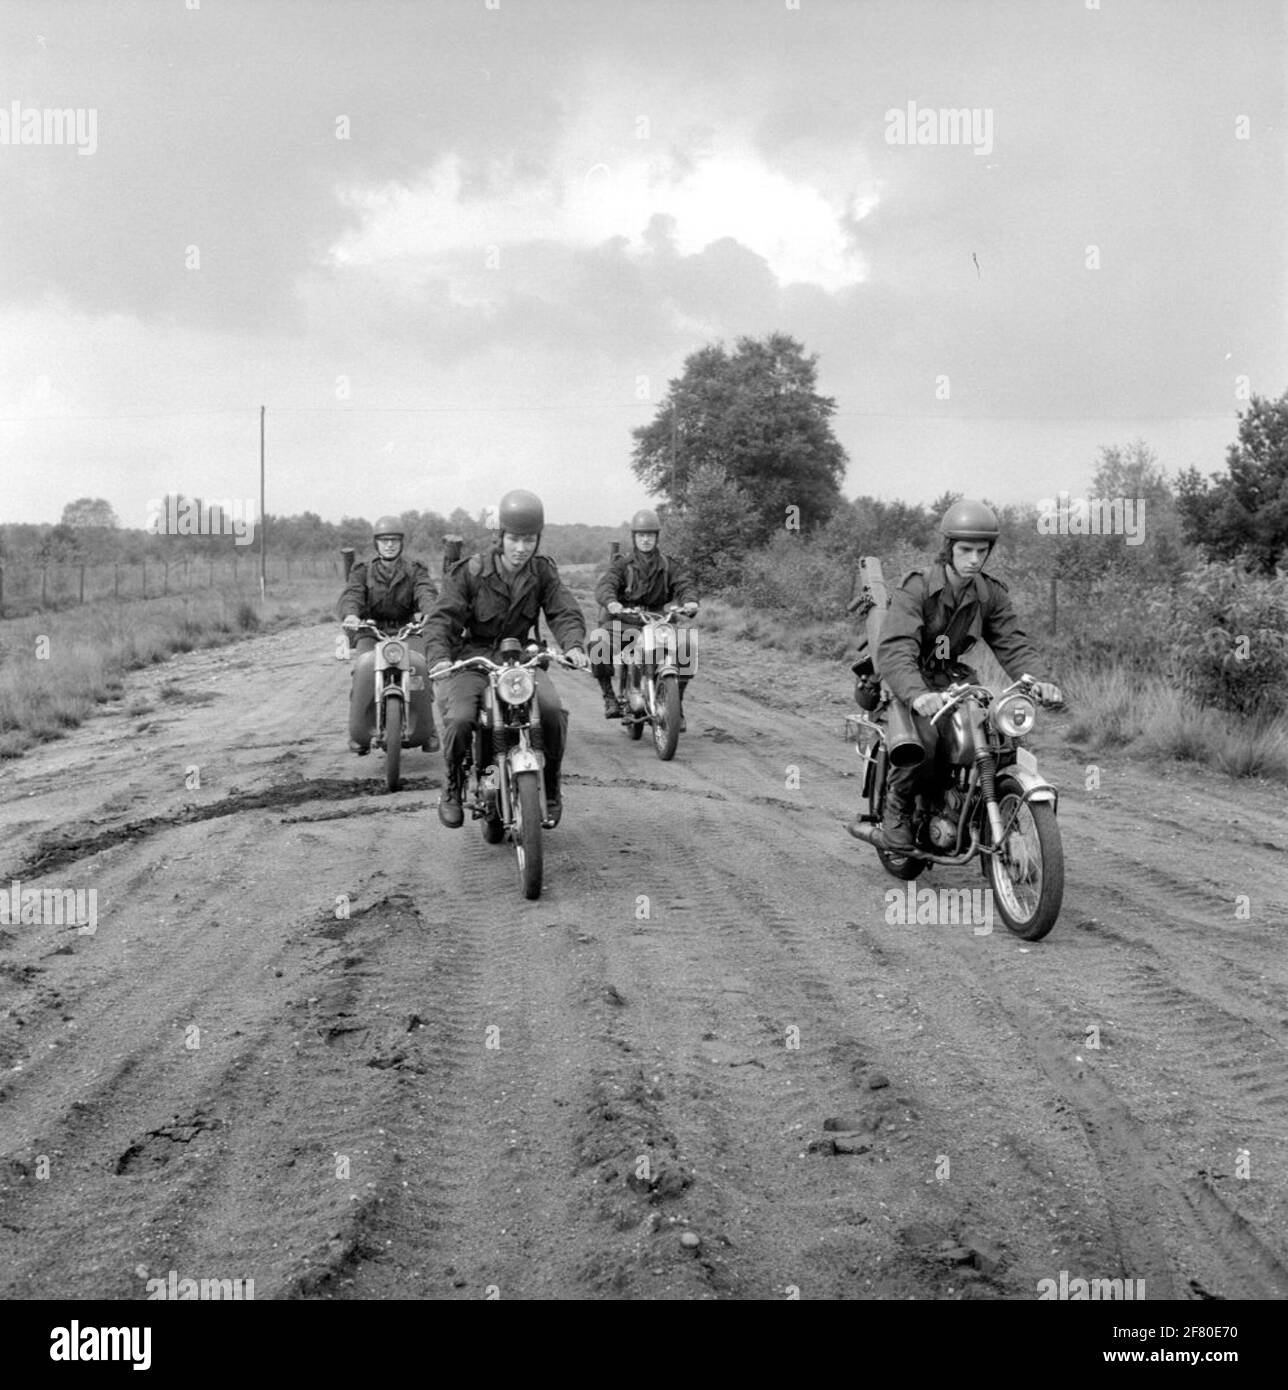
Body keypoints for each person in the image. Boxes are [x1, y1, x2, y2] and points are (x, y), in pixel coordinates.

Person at [855, 499, 1062, 852]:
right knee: (923, 743)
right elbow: (897, 647)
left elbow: (1012, 643)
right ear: (949, 548)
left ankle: (980, 811)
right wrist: (917, 694)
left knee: (999, 739)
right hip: (909, 677)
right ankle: (898, 808)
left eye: (982, 551)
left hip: (953, 678)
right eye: (966, 550)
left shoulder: (989, 594)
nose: (974, 559)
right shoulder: (918, 588)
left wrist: (1039, 680)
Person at [424, 489, 590, 829]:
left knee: (553, 713)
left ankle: (552, 787)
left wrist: (573, 645)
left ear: (537, 540)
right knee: (459, 719)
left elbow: (564, 611)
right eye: (514, 538)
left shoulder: (542, 572)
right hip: (476, 659)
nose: (521, 548)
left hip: (521, 660)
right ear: (501, 536)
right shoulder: (470, 571)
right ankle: (453, 784)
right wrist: (440, 657)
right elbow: (442, 618)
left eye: (529, 540)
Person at [338, 516, 439, 755]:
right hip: (371, 630)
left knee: (420, 667)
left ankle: (429, 728)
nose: (390, 545)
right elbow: (352, 594)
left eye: (394, 540)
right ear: (377, 544)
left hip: (407, 629)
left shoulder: (414, 570)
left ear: (401, 543)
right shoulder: (363, 571)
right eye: (384, 540)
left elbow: (426, 592)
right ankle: (359, 732)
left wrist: (429, 612)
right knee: (362, 669)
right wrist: (351, 615)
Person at [589, 508, 699, 726]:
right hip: (626, 621)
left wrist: (690, 601)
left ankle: (676, 704)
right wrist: (612, 603)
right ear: (634, 538)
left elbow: (684, 583)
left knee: (688, 646)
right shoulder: (623, 565)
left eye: (650, 535)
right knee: (598, 643)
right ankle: (609, 696)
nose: (646, 540)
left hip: (659, 620)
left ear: (656, 538)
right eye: (642, 535)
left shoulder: (668, 564)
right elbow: (606, 585)